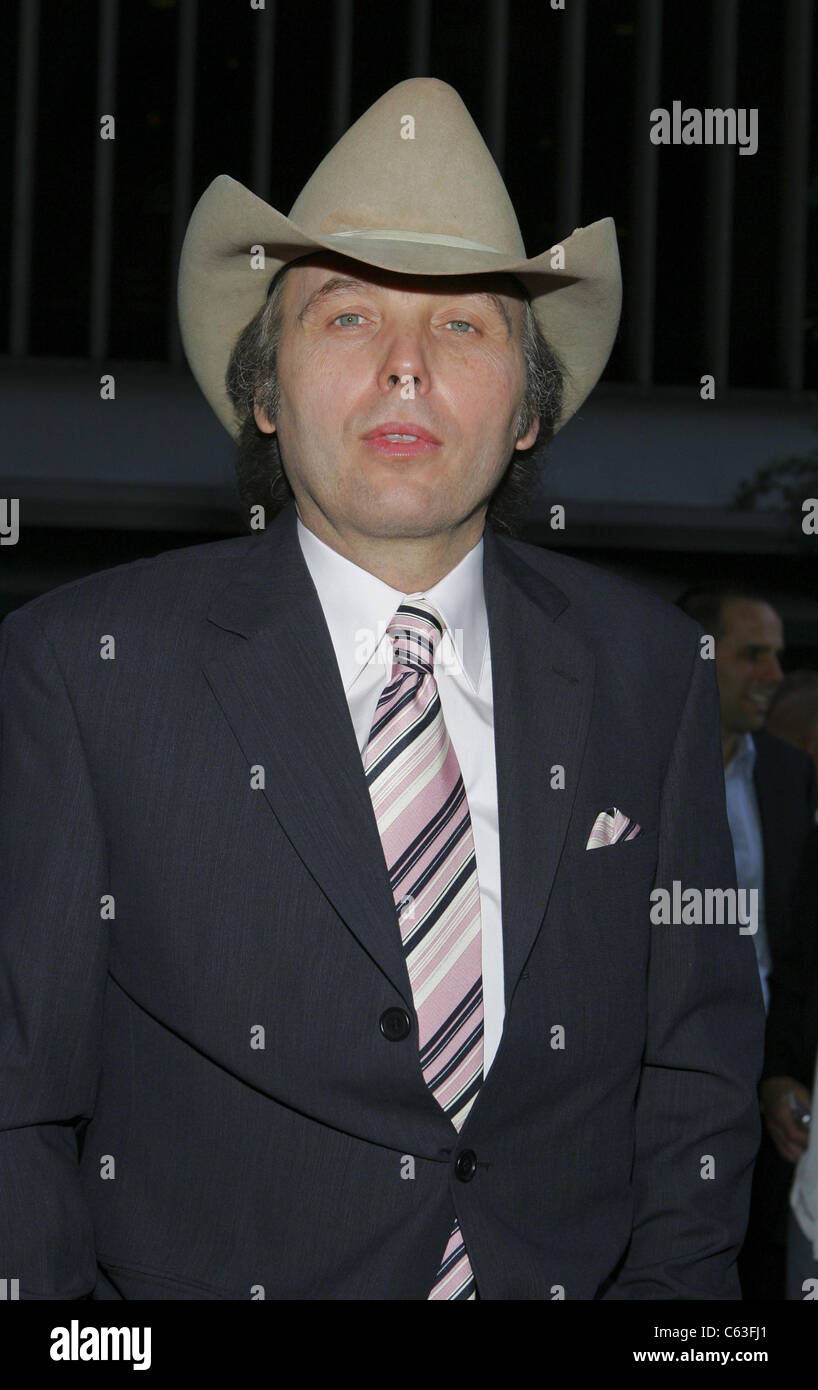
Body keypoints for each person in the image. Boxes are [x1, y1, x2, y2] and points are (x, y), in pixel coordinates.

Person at [1, 77, 764, 1301]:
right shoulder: (85, 671)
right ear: (264, 390)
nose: (405, 366)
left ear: (526, 407)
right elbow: (16, 1105)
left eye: (463, 326)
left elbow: (695, 1073)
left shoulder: (643, 674)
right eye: (346, 318)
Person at [677, 585, 817, 1299]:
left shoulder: (792, 777)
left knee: (763, 1262)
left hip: (768, 1070)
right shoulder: (637, 765)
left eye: (779, 658)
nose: (773, 675)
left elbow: (798, 944)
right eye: (752, 655)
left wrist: (785, 1066)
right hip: (667, 1072)